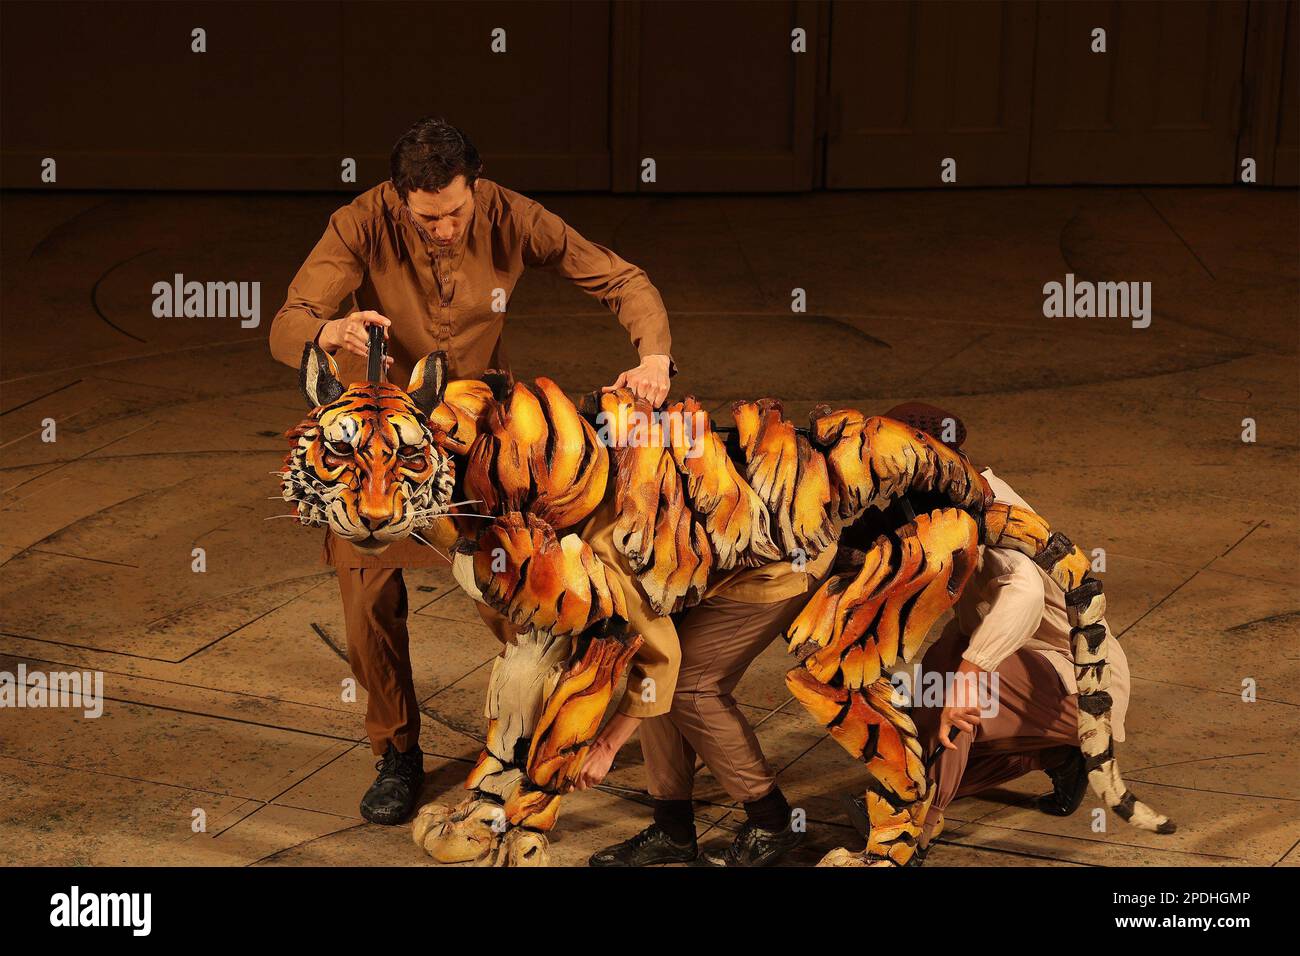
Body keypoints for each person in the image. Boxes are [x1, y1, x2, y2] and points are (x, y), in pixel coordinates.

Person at [268, 117, 674, 826]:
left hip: (482, 438)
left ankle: (547, 725)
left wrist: (654, 357)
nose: (446, 228)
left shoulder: (513, 216)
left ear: (474, 186)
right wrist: (325, 331)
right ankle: (395, 754)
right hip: (385, 448)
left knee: (516, 598)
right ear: (400, 201)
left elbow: (620, 278)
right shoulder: (359, 223)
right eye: (428, 217)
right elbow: (290, 318)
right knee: (368, 609)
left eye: (456, 211)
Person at [882, 403, 1131, 856]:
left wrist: (970, 674)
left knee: (943, 694)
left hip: (1078, 680)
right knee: (920, 722)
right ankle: (1056, 754)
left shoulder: (989, 509)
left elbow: (1026, 590)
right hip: (1033, 671)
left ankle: (913, 830)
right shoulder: (933, 494)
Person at [577, 497, 837, 868]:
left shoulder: (603, 549)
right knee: (661, 671)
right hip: (722, 561)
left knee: (687, 686)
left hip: (783, 562)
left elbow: (661, 664)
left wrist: (606, 745)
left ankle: (772, 822)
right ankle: (673, 830)